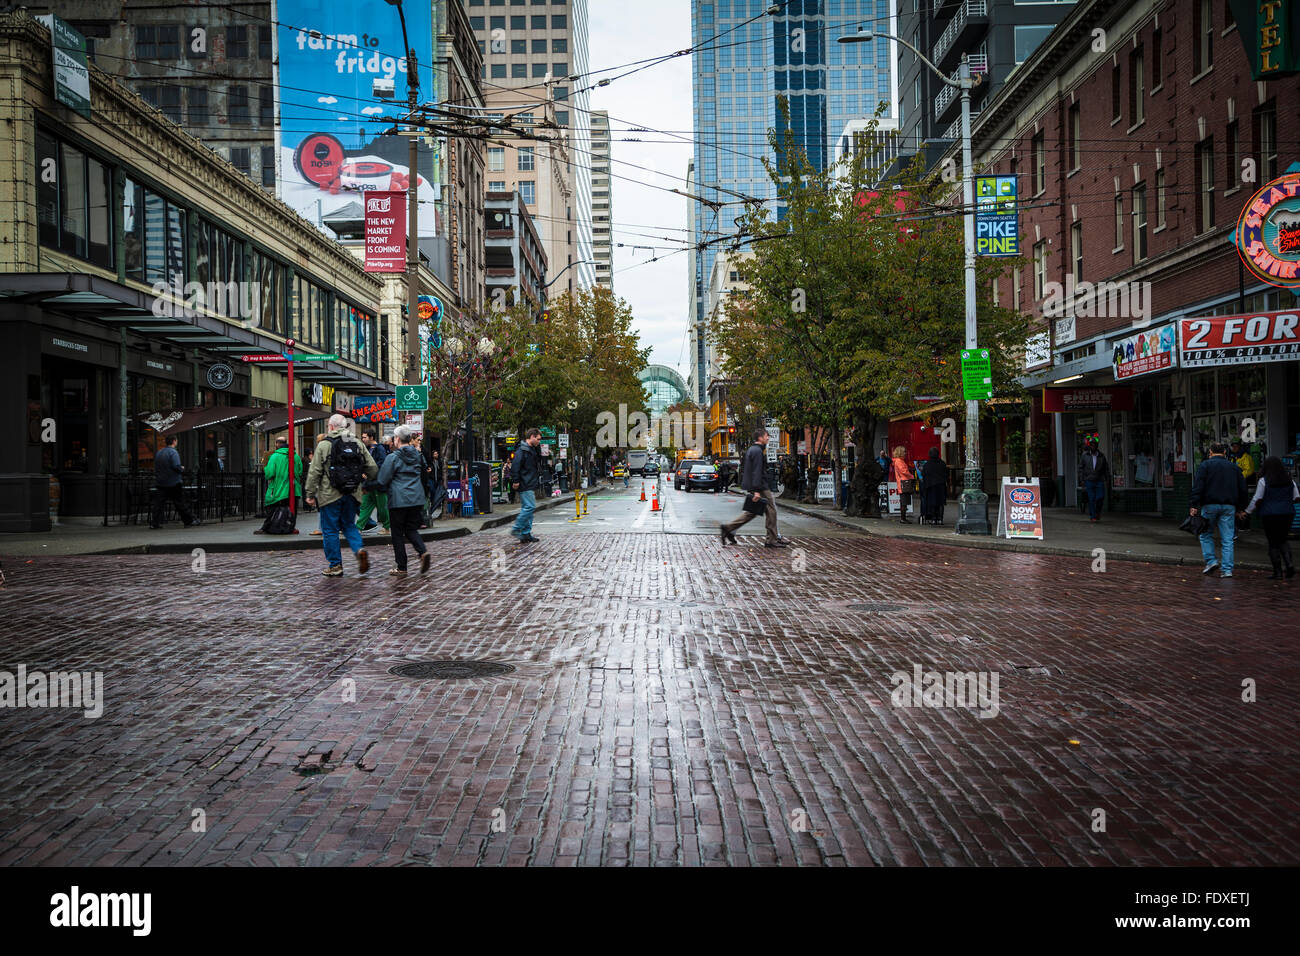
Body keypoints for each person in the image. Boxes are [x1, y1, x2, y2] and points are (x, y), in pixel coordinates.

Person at [304, 413, 378, 577]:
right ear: (345, 427)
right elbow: (372, 468)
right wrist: (365, 485)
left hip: (329, 494)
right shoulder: (357, 442)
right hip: (352, 493)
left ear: (330, 427)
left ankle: (335, 565)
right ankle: (359, 550)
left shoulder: (324, 445)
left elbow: (314, 471)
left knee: (330, 530)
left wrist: (310, 493)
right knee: (349, 526)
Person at [377, 425, 431, 577]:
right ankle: (422, 551)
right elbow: (424, 474)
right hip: (416, 497)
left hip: (398, 499)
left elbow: (383, 478)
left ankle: (402, 566)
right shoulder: (418, 455)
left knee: (397, 533)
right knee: (411, 529)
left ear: (398, 439)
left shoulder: (393, 457)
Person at [1189, 441, 1248, 579]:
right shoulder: (1234, 467)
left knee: (1205, 534)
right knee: (1227, 539)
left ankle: (1211, 562)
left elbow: (1198, 486)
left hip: (1209, 505)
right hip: (1229, 507)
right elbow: (1243, 490)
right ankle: (1227, 570)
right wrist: (1240, 508)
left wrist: (1193, 504)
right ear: (1225, 453)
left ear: (1210, 452)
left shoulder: (1205, 466)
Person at [720, 428, 787, 547]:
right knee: (772, 511)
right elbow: (756, 471)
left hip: (756, 485)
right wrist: (756, 490)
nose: (768, 438)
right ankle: (771, 539)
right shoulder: (757, 451)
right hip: (760, 486)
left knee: (752, 512)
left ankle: (728, 528)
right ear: (760, 438)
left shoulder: (753, 450)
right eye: (766, 436)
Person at [1242, 456, 1300, 579]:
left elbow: (1257, 499)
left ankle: (1277, 572)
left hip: (1269, 514)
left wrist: (1247, 512)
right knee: (1283, 539)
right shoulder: (1290, 481)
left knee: (1273, 543)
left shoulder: (1264, 481)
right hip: (1287, 513)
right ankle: (1289, 564)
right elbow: (1297, 497)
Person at [151, 434, 200, 529]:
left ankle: (155, 523)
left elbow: (156, 467)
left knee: (158, 504)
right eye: (176, 441)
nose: (176, 442)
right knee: (180, 503)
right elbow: (176, 466)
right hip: (173, 482)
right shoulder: (173, 452)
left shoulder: (159, 452)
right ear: (174, 441)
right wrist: (181, 468)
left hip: (161, 482)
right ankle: (189, 521)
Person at [256, 436, 301, 534]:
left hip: (278, 489)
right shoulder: (295, 456)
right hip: (294, 488)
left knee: (273, 508)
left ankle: (267, 527)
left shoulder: (274, 456)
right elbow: (299, 472)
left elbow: (270, 474)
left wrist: (265, 467)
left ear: (277, 444)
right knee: (292, 509)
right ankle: (290, 526)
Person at [509, 428, 542, 544]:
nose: (539, 441)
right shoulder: (522, 450)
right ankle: (517, 528)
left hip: (529, 482)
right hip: (525, 483)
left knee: (528, 508)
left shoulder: (531, 449)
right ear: (532, 436)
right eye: (538, 439)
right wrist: (516, 481)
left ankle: (525, 534)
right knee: (530, 507)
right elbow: (515, 467)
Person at [356, 429, 390, 534]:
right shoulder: (366, 449)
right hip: (368, 483)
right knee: (365, 506)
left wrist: (369, 472)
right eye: (362, 437)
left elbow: (382, 464)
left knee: (382, 508)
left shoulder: (379, 449)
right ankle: (358, 527)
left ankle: (386, 527)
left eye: (365, 437)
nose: (363, 439)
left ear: (371, 437)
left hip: (377, 484)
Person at [1079, 439, 1110, 522]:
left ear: (1097, 446)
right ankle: (1093, 516)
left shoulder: (1101, 456)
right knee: (1091, 498)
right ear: (1089, 446)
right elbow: (1081, 468)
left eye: (1094, 445)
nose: (1093, 446)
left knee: (1101, 497)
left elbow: (1105, 469)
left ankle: (1097, 512)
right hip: (1089, 480)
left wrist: (1107, 479)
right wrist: (1082, 479)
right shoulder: (1085, 456)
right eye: (1091, 445)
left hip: (1099, 480)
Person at [920, 446, 948, 525]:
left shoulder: (927, 465)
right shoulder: (942, 463)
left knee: (932, 502)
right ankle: (940, 518)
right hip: (941, 485)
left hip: (930, 486)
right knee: (941, 503)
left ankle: (933, 518)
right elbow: (946, 474)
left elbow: (924, 474)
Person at [891, 445, 915, 523]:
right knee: (904, 501)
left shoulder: (898, 461)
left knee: (904, 502)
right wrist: (911, 476)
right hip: (904, 483)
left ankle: (903, 518)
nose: (905, 453)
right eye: (904, 451)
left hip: (902, 482)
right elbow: (903, 471)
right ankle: (903, 518)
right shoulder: (899, 461)